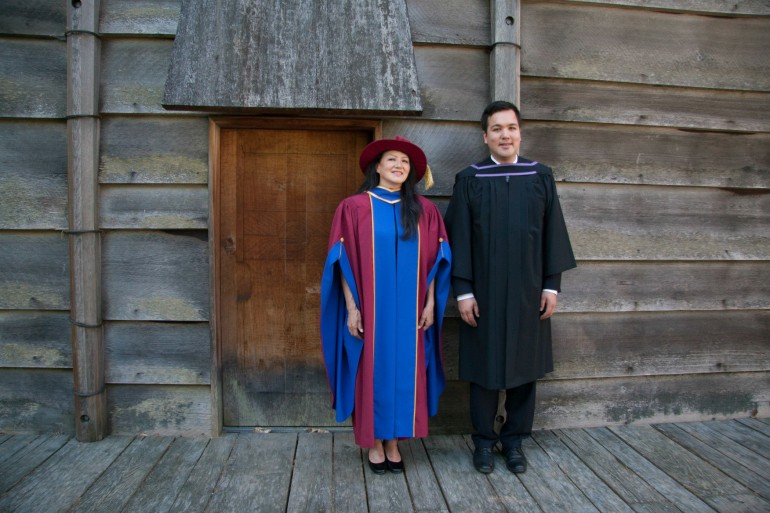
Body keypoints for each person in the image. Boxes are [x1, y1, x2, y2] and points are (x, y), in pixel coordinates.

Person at [444, 101, 576, 474]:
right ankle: (484, 442)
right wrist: (464, 291)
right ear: (485, 136)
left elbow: (553, 235)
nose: (505, 135)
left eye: (511, 128)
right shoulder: (470, 179)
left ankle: (514, 441)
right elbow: (458, 240)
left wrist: (551, 287)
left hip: (527, 292)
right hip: (482, 295)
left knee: (524, 368)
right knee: (484, 371)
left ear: (520, 133)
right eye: (497, 128)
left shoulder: (540, 176)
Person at [320, 136, 452, 474]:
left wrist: (430, 304)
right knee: (373, 369)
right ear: (377, 166)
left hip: (411, 312)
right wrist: (352, 308)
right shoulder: (354, 207)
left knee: (406, 370)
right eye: (392, 159)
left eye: (405, 162)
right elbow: (342, 261)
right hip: (371, 310)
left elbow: (435, 261)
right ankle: (375, 442)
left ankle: (395, 442)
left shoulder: (425, 211)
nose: (399, 165)